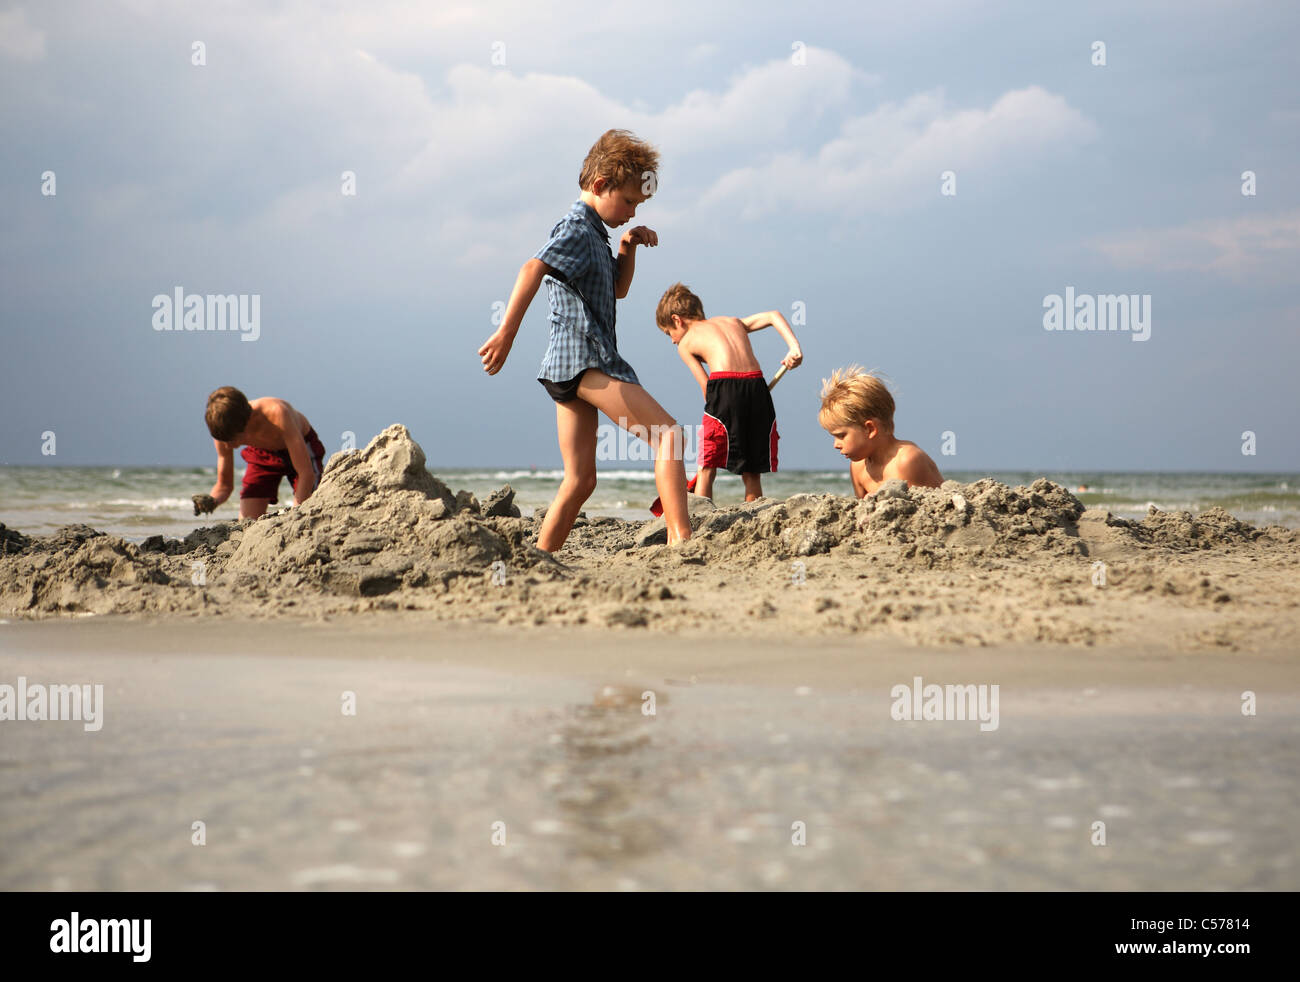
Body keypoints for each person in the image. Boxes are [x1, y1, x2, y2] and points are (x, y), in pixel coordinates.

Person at [477, 129, 691, 552]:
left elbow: (617, 289)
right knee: (669, 436)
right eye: (629, 201)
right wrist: (506, 332)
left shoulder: (597, 236)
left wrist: (627, 246)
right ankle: (682, 539)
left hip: (566, 369)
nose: (632, 211)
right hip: (585, 361)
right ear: (599, 186)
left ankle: (542, 557)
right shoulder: (576, 228)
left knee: (580, 480)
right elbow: (531, 268)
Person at [656, 283, 801, 501]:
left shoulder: (685, 344)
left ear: (678, 319)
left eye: (669, 333)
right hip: (757, 386)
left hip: (724, 388)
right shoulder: (733, 321)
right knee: (752, 468)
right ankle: (755, 513)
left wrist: (717, 417)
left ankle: (703, 515)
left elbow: (706, 387)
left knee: (707, 463)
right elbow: (773, 315)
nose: (672, 339)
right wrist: (794, 348)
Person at [196, 386, 326, 519]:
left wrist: (296, 514)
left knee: (309, 507)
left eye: (233, 439)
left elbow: (306, 473)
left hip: (302, 447)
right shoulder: (222, 432)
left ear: (247, 423)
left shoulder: (277, 413)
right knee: (247, 520)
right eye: (224, 440)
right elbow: (224, 486)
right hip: (261, 453)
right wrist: (212, 501)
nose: (228, 446)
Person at [818, 366, 943, 496]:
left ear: (870, 429)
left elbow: (930, 510)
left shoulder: (907, 461)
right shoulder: (858, 467)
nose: (835, 445)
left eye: (841, 435)